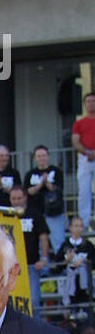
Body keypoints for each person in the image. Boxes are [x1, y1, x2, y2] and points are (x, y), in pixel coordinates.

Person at [9, 184, 50, 317]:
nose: (16, 201)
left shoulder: (35, 214)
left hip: (31, 266)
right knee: (11, 304)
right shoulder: (5, 216)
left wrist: (44, 259)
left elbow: (43, 237)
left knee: (33, 302)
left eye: (19, 198)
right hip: (11, 268)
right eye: (13, 198)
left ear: (25, 197)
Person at [24, 144, 66, 253]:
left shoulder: (56, 171)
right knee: (38, 243)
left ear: (48, 156)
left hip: (54, 212)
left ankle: (60, 266)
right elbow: (28, 191)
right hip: (36, 211)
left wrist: (46, 182)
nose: (41, 158)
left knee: (58, 241)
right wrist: (40, 184)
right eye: (39, 156)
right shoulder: (30, 174)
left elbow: (57, 189)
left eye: (44, 155)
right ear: (34, 158)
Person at [58, 215, 95, 309]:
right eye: (76, 226)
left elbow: (93, 261)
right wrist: (67, 260)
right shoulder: (65, 245)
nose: (78, 228)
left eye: (80, 226)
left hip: (85, 285)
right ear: (70, 228)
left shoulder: (88, 246)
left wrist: (85, 262)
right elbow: (58, 265)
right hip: (70, 284)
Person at [71, 92, 95, 232]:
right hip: (85, 158)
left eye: (93, 101)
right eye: (88, 101)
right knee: (84, 191)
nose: (91, 103)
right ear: (84, 104)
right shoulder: (79, 123)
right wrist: (88, 153)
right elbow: (75, 141)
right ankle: (83, 224)